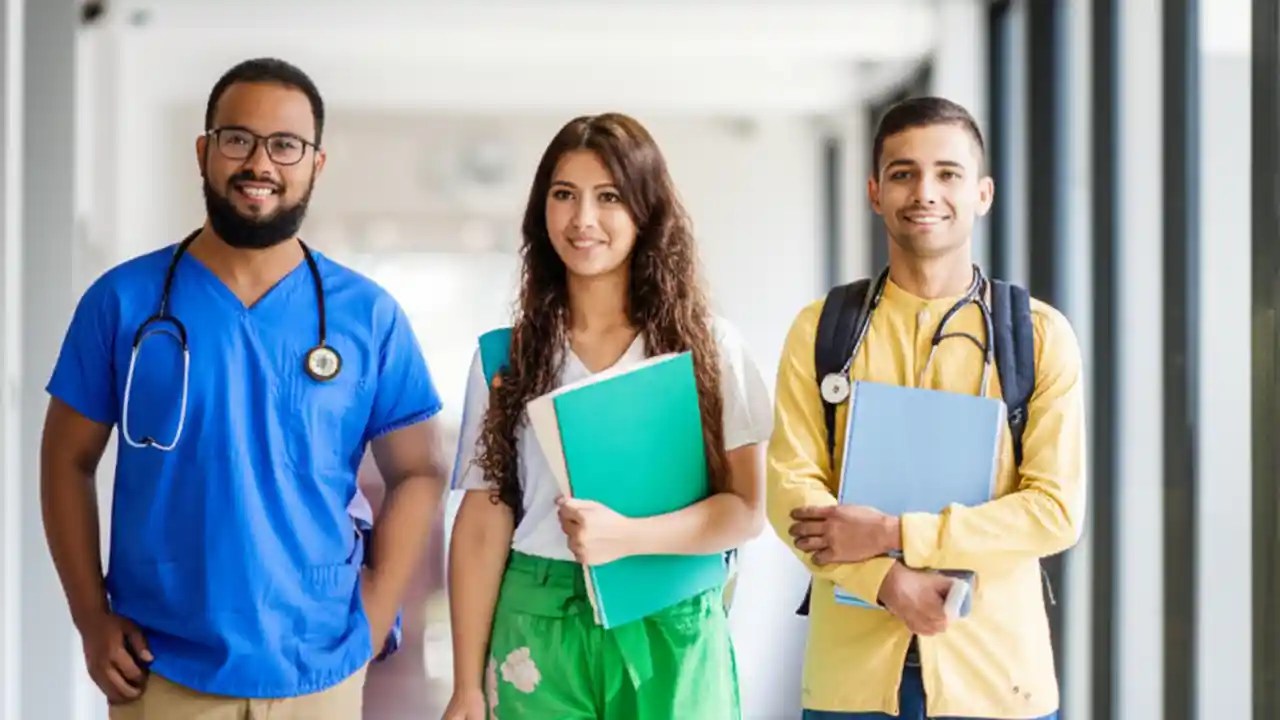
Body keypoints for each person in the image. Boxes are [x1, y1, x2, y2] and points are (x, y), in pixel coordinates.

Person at [40, 57, 449, 718]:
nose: (260, 163)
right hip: (164, 665)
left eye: (286, 145)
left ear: (316, 164)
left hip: (319, 666)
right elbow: (66, 458)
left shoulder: (366, 315)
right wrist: (90, 614)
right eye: (238, 140)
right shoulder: (122, 301)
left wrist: (377, 609)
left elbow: (419, 471)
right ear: (204, 152)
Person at [441, 113, 773, 720]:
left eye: (609, 197)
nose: (582, 219)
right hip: (536, 628)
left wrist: (626, 537)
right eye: (564, 195)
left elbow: (746, 511)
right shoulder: (505, 357)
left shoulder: (707, 349)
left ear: (646, 211)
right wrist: (465, 685)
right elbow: (484, 520)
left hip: (669, 619)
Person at [766, 96, 1085, 719]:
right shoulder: (823, 329)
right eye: (903, 173)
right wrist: (886, 582)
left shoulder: (1038, 336)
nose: (925, 192)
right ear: (874, 191)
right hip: (852, 688)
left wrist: (894, 535)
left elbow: (1054, 510)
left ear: (983, 194)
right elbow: (790, 491)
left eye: (948, 174)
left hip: (997, 684)